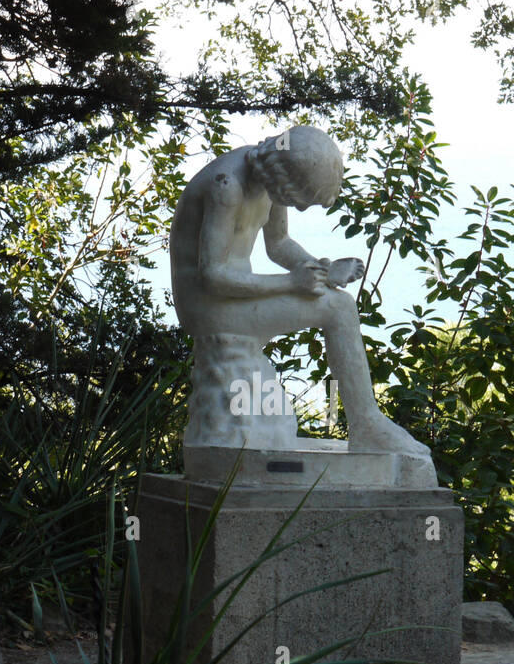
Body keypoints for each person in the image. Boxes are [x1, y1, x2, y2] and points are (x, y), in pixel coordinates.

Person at [169, 124, 430, 456]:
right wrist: (292, 283)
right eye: (299, 199)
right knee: (339, 309)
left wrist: (322, 271)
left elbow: (278, 244)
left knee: (338, 301)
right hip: (210, 306)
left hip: (233, 295)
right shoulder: (228, 187)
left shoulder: (267, 169)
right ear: (283, 179)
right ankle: (367, 425)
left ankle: (368, 424)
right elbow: (213, 276)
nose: (301, 209)